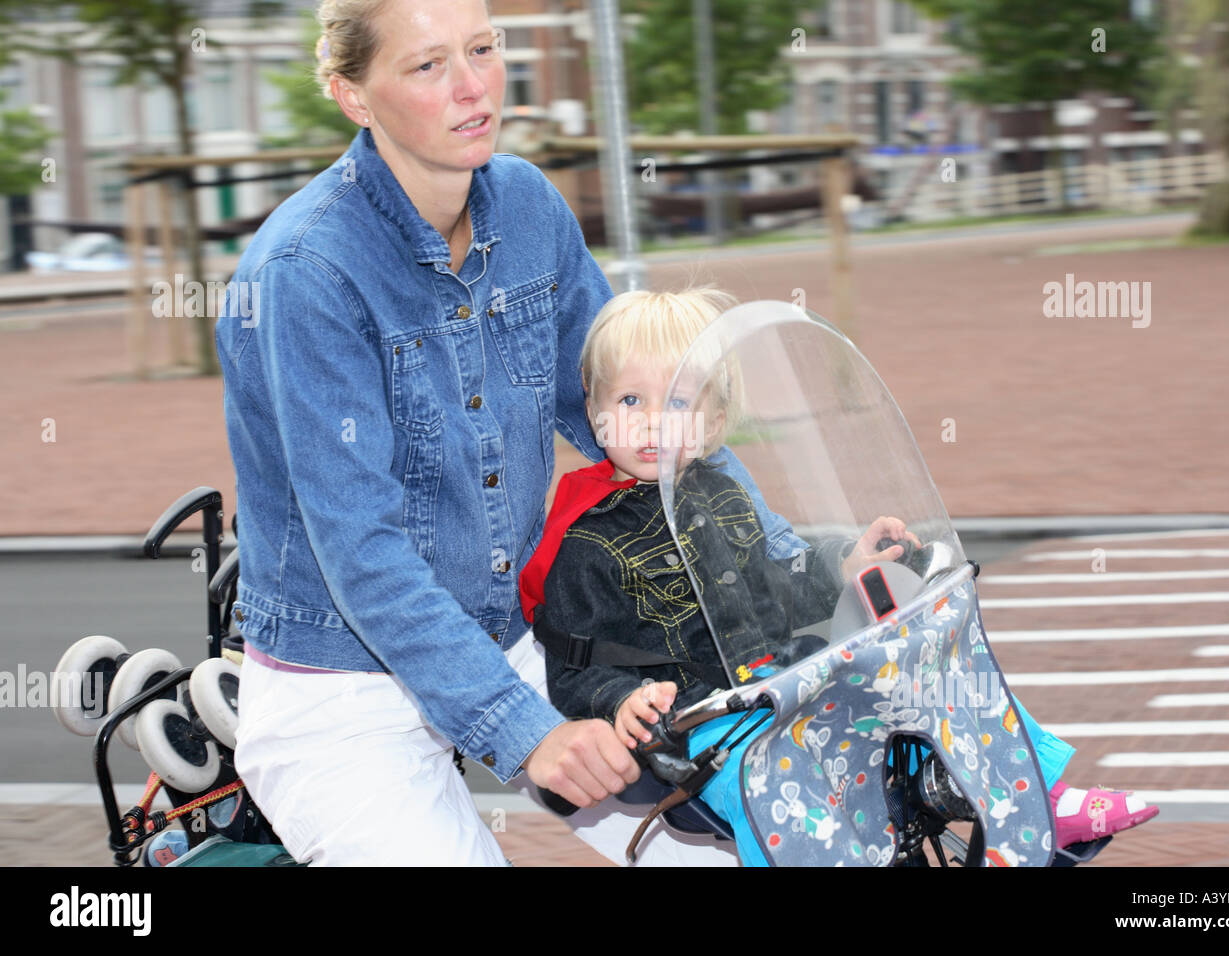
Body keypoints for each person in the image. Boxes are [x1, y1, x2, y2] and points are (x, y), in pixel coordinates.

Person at [217, 0, 647, 866]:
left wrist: (787, 560)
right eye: (426, 65)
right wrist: (530, 735)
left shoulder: (528, 206)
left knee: (745, 813)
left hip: (511, 632)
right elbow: (363, 552)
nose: (471, 86)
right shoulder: (305, 272)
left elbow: (646, 417)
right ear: (352, 95)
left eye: (482, 49)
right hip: (340, 680)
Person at [520, 288, 1159, 866]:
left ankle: (1040, 798)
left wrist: (843, 564)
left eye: (679, 402)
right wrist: (620, 702)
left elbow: (776, 586)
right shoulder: (588, 540)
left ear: (714, 421)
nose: (654, 421)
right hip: (707, 728)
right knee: (775, 782)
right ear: (597, 412)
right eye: (632, 400)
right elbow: (573, 667)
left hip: (790, 681)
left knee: (927, 671)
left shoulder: (722, 494)